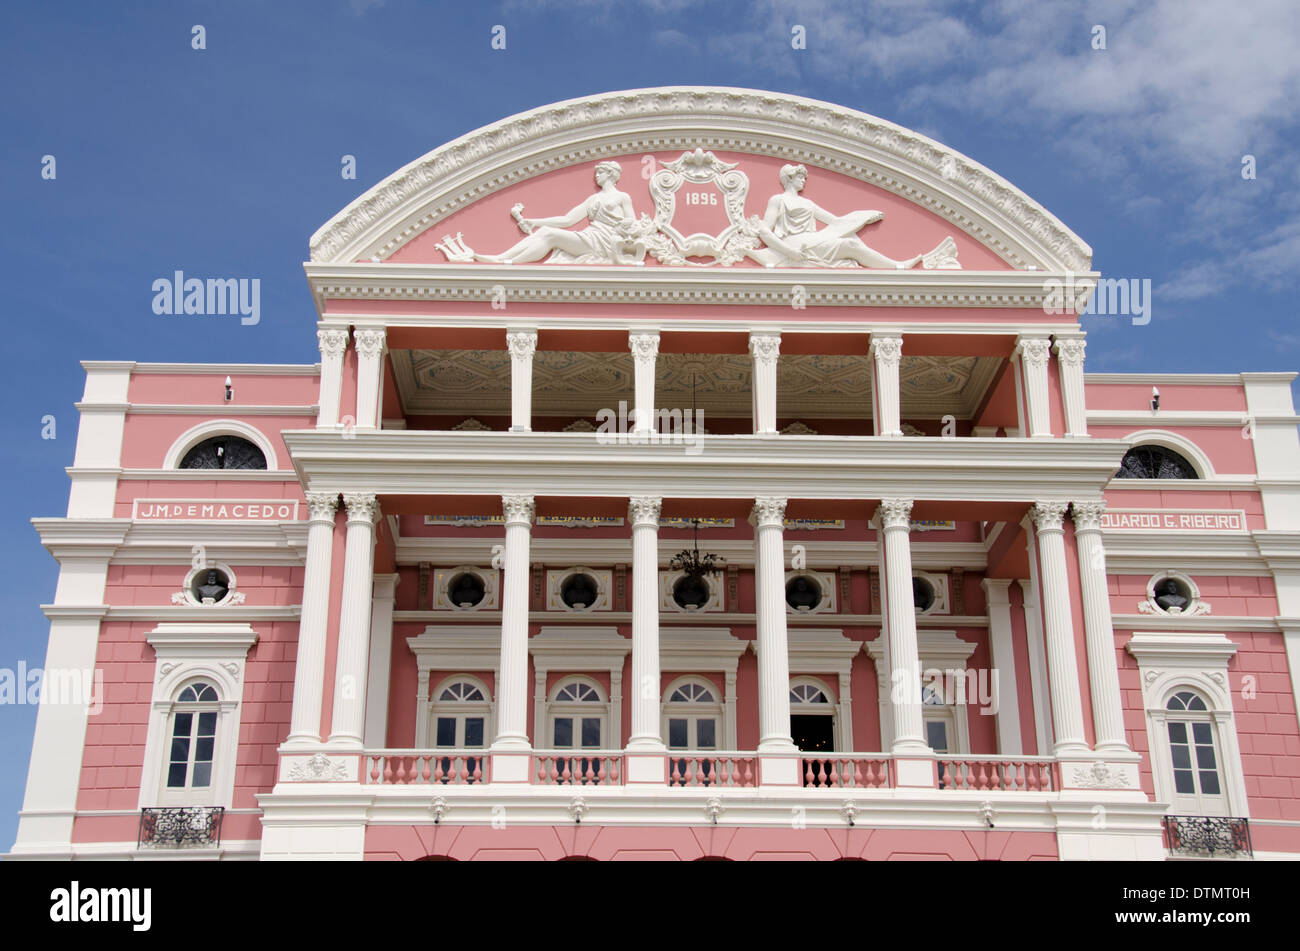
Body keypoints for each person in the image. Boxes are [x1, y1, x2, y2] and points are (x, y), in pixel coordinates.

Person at [746, 164, 957, 269]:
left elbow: (836, 222)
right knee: (851, 245)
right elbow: (764, 230)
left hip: (812, 242)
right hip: (797, 244)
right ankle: (897, 267)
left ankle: (896, 266)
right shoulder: (778, 200)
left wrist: (863, 217)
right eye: (801, 177)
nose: (804, 181)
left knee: (851, 239)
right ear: (789, 179)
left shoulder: (808, 204)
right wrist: (789, 252)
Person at [440, 161, 650, 265]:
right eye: (596, 172)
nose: (596, 176)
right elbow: (567, 220)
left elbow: (631, 226)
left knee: (549, 234)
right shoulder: (593, 199)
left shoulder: (622, 197)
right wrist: (532, 222)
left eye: (600, 172)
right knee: (546, 231)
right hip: (591, 237)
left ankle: (508, 262)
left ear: (612, 174)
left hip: (605, 243)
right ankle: (502, 259)